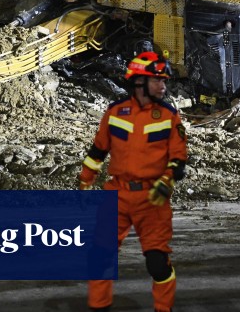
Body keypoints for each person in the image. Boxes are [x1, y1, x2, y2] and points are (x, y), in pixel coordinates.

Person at [78, 51, 187, 312]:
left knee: (157, 264)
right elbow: (97, 152)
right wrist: (84, 183)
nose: (163, 86)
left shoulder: (169, 116)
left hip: (152, 199)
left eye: (164, 81)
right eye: (157, 80)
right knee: (100, 256)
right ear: (139, 82)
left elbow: (179, 160)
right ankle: (99, 307)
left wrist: (167, 180)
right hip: (116, 195)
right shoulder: (115, 112)